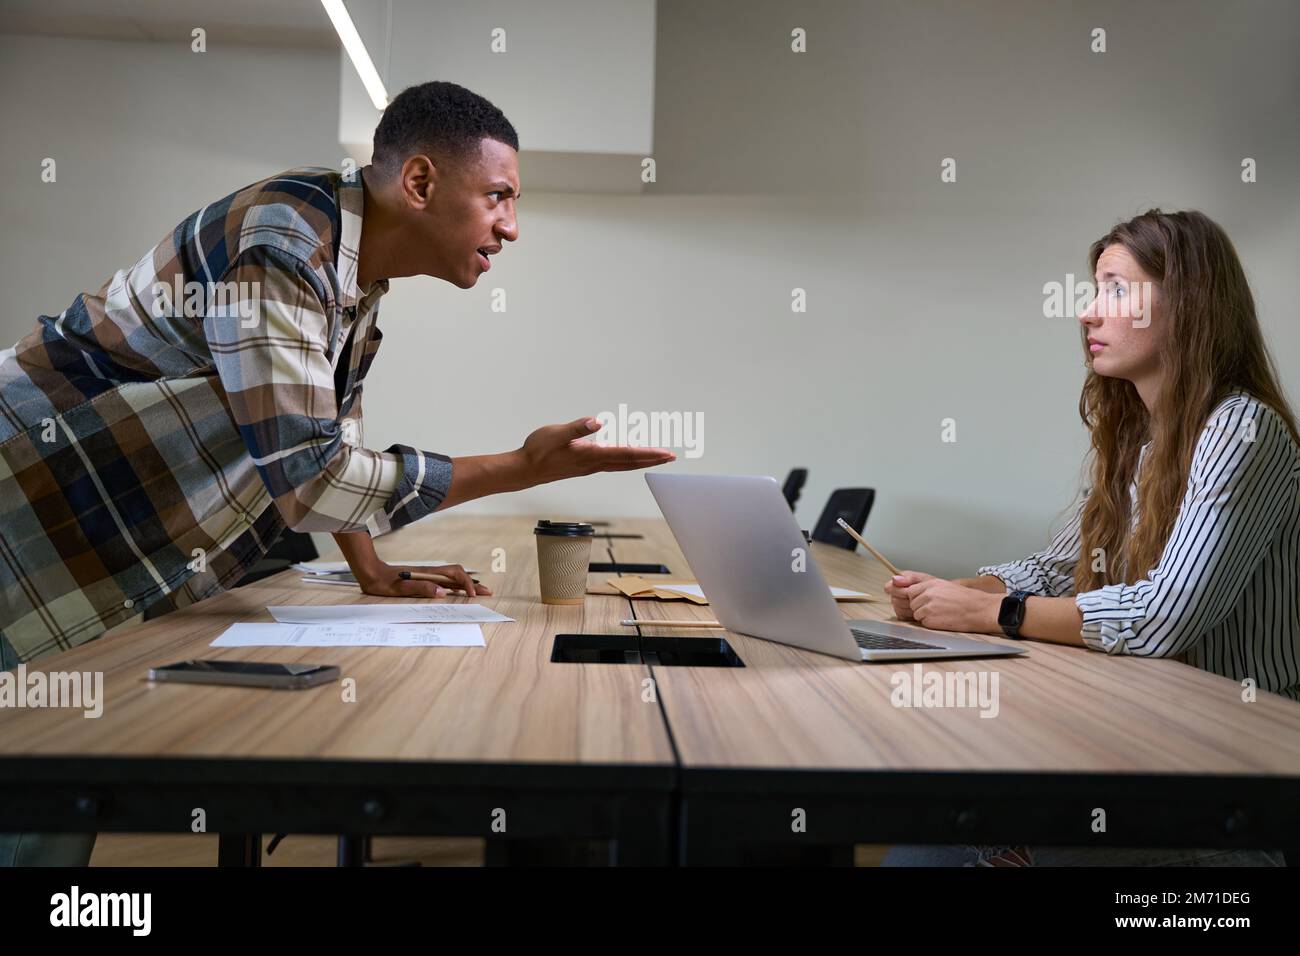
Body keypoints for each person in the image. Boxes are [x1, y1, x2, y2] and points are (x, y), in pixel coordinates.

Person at [0, 81, 674, 865]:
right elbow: (311, 477)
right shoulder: (285, 245)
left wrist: (372, 567)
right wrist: (520, 468)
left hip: (69, 521)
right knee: (33, 792)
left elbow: (324, 418)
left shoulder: (349, 268)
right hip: (23, 497)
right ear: (421, 183)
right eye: (498, 197)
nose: (512, 228)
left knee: (44, 792)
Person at [881, 209, 1299, 866]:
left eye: (1114, 288)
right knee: (930, 838)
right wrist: (970, 589)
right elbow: (1062, 566)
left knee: (939, 844)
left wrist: (997, 614)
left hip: (1229, 796)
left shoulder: (1243, 428)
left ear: (1188, 304)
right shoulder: (1138, 438)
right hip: (1148, 747)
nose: (1086, 312)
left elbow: (1165, 616)